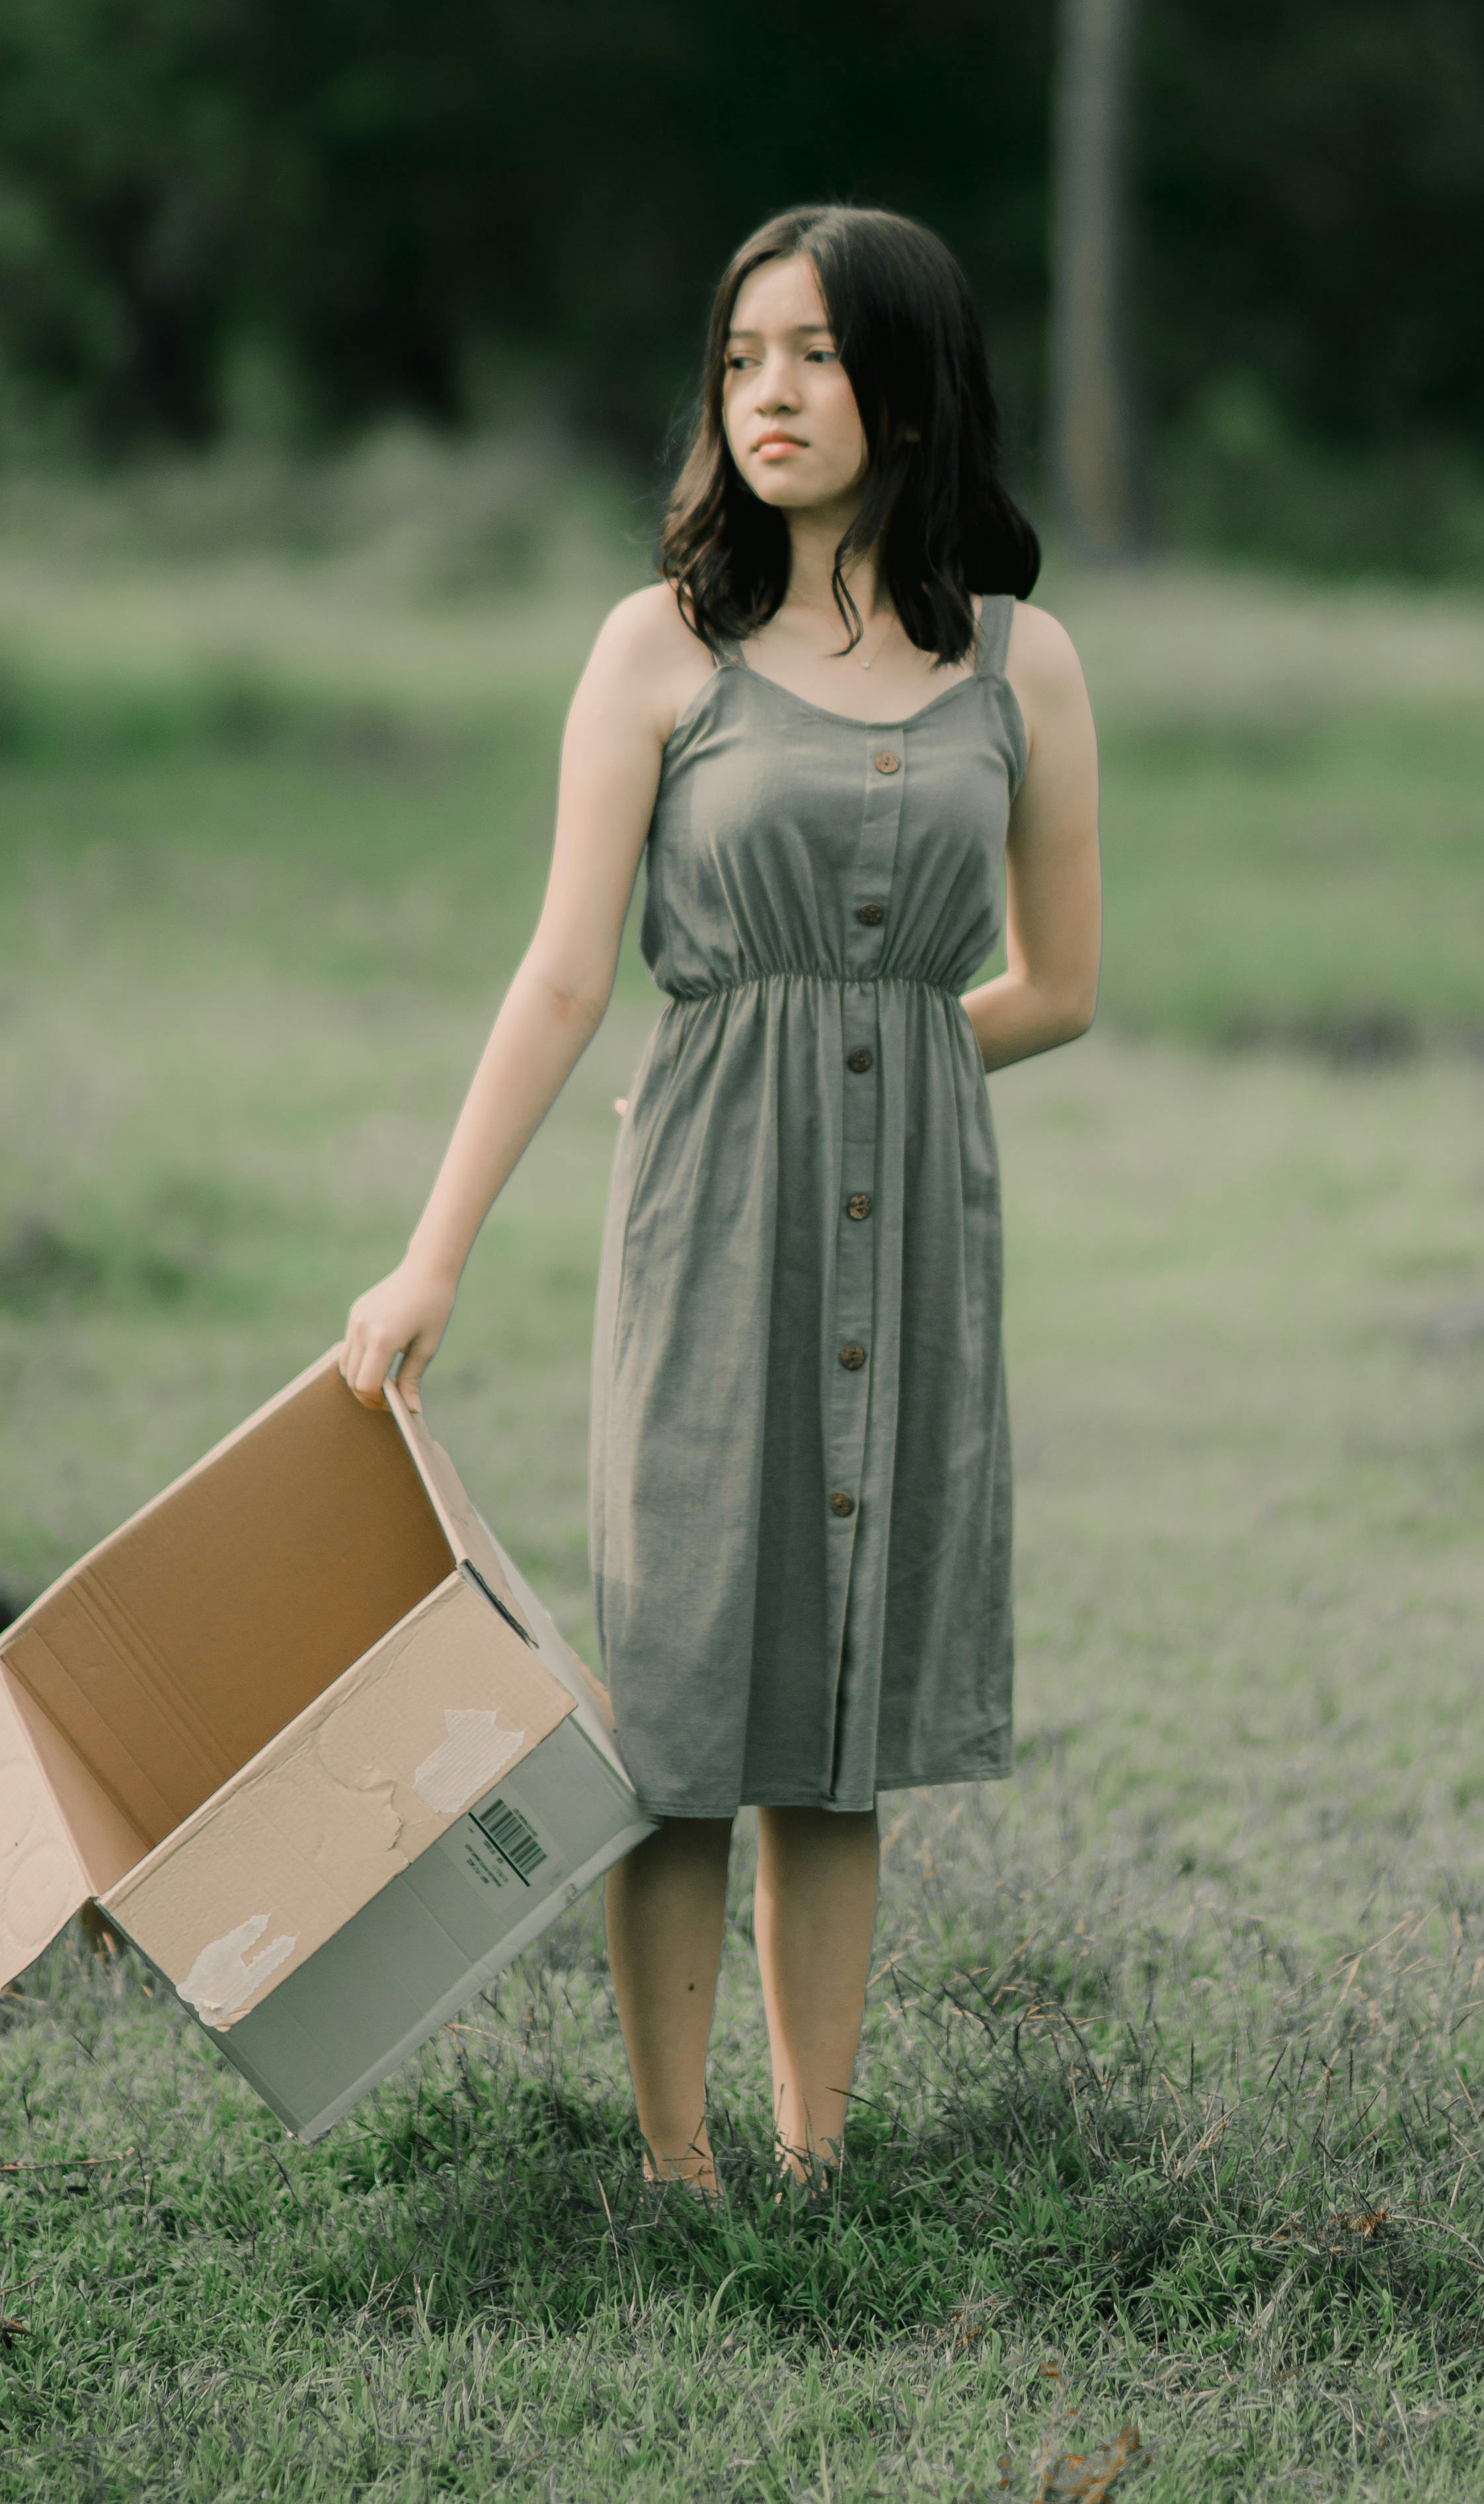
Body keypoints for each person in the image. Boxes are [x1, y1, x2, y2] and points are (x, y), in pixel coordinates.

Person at [340, 202, 1101, 2189]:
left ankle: (817, 2161)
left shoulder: (1026, 664)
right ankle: (678, 2172)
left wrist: (888, 1079)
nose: (772, 391)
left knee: (838, 1717)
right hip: (701, 1222)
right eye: (746, 356)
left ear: (913, 392)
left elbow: (1062, 984)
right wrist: (434, 1258)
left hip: (913, 1226)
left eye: (821, 356)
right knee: (682, 1700)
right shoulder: (658, 645)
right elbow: (567, 974)